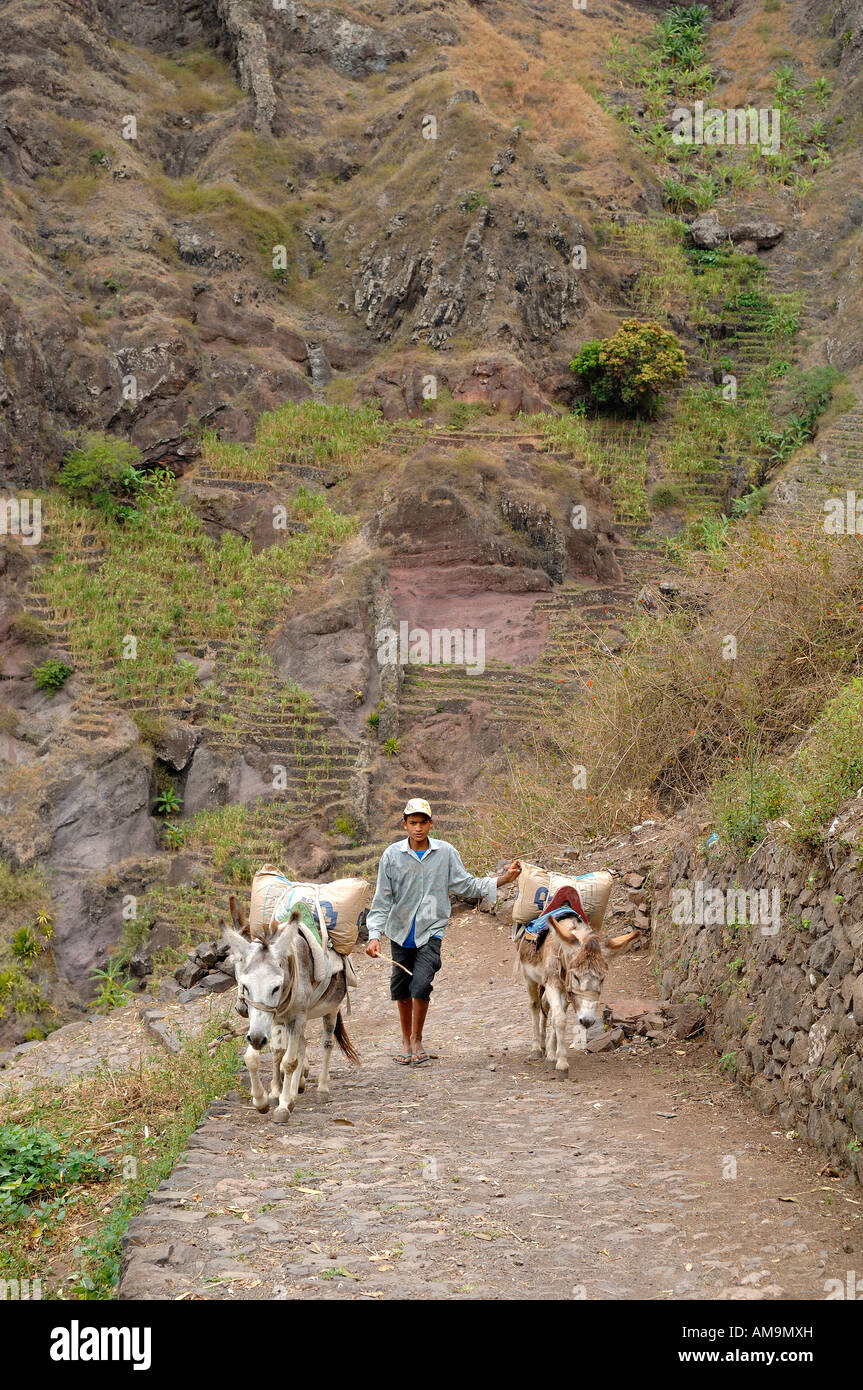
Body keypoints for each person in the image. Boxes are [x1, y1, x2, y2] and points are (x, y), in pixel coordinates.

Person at [365, 798, 521, 1065]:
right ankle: (405, 1040)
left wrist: (503, 879)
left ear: (431, 824)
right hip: (400, 930)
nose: (417, 828)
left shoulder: (446, 853)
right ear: (405, 825)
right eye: (412, 823)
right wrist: (374, 934)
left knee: (421, 983)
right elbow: (382, 900)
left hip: (431, 930)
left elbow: (467, 884)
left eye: (422, 823)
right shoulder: (392, 855)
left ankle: (417, 1038)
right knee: (400, 986)